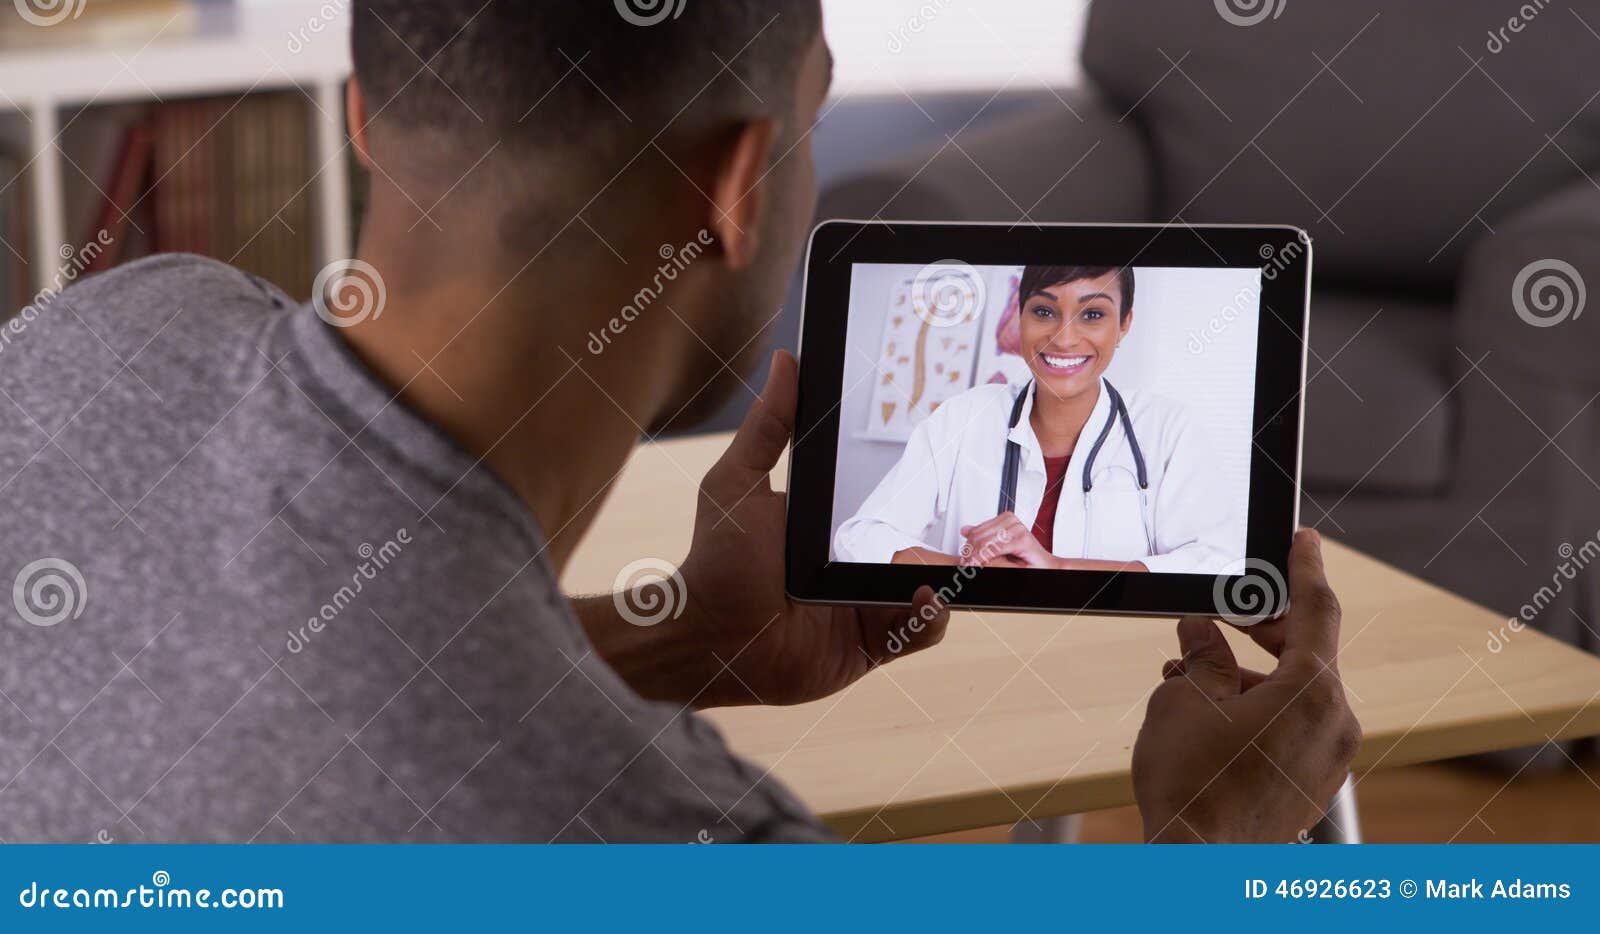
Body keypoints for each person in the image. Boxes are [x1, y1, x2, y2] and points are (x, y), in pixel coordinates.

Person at [0, 1, 1357, 843]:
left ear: (364, 115)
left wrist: (674, 638)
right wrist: (1212, 843)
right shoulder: (664, 835)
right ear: (740, 185)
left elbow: (250, 701)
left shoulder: (110, 327)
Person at [835, 266, 1235, 573]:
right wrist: (970, 571)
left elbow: (1218, 563)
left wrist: (1057, 568)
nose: (1064, 338)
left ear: (1124, 324)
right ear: (1020, 316)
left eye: (1092, 314)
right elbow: (858, 539)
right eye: (1044, 311)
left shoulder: (1168, 429)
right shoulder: (963, 417)